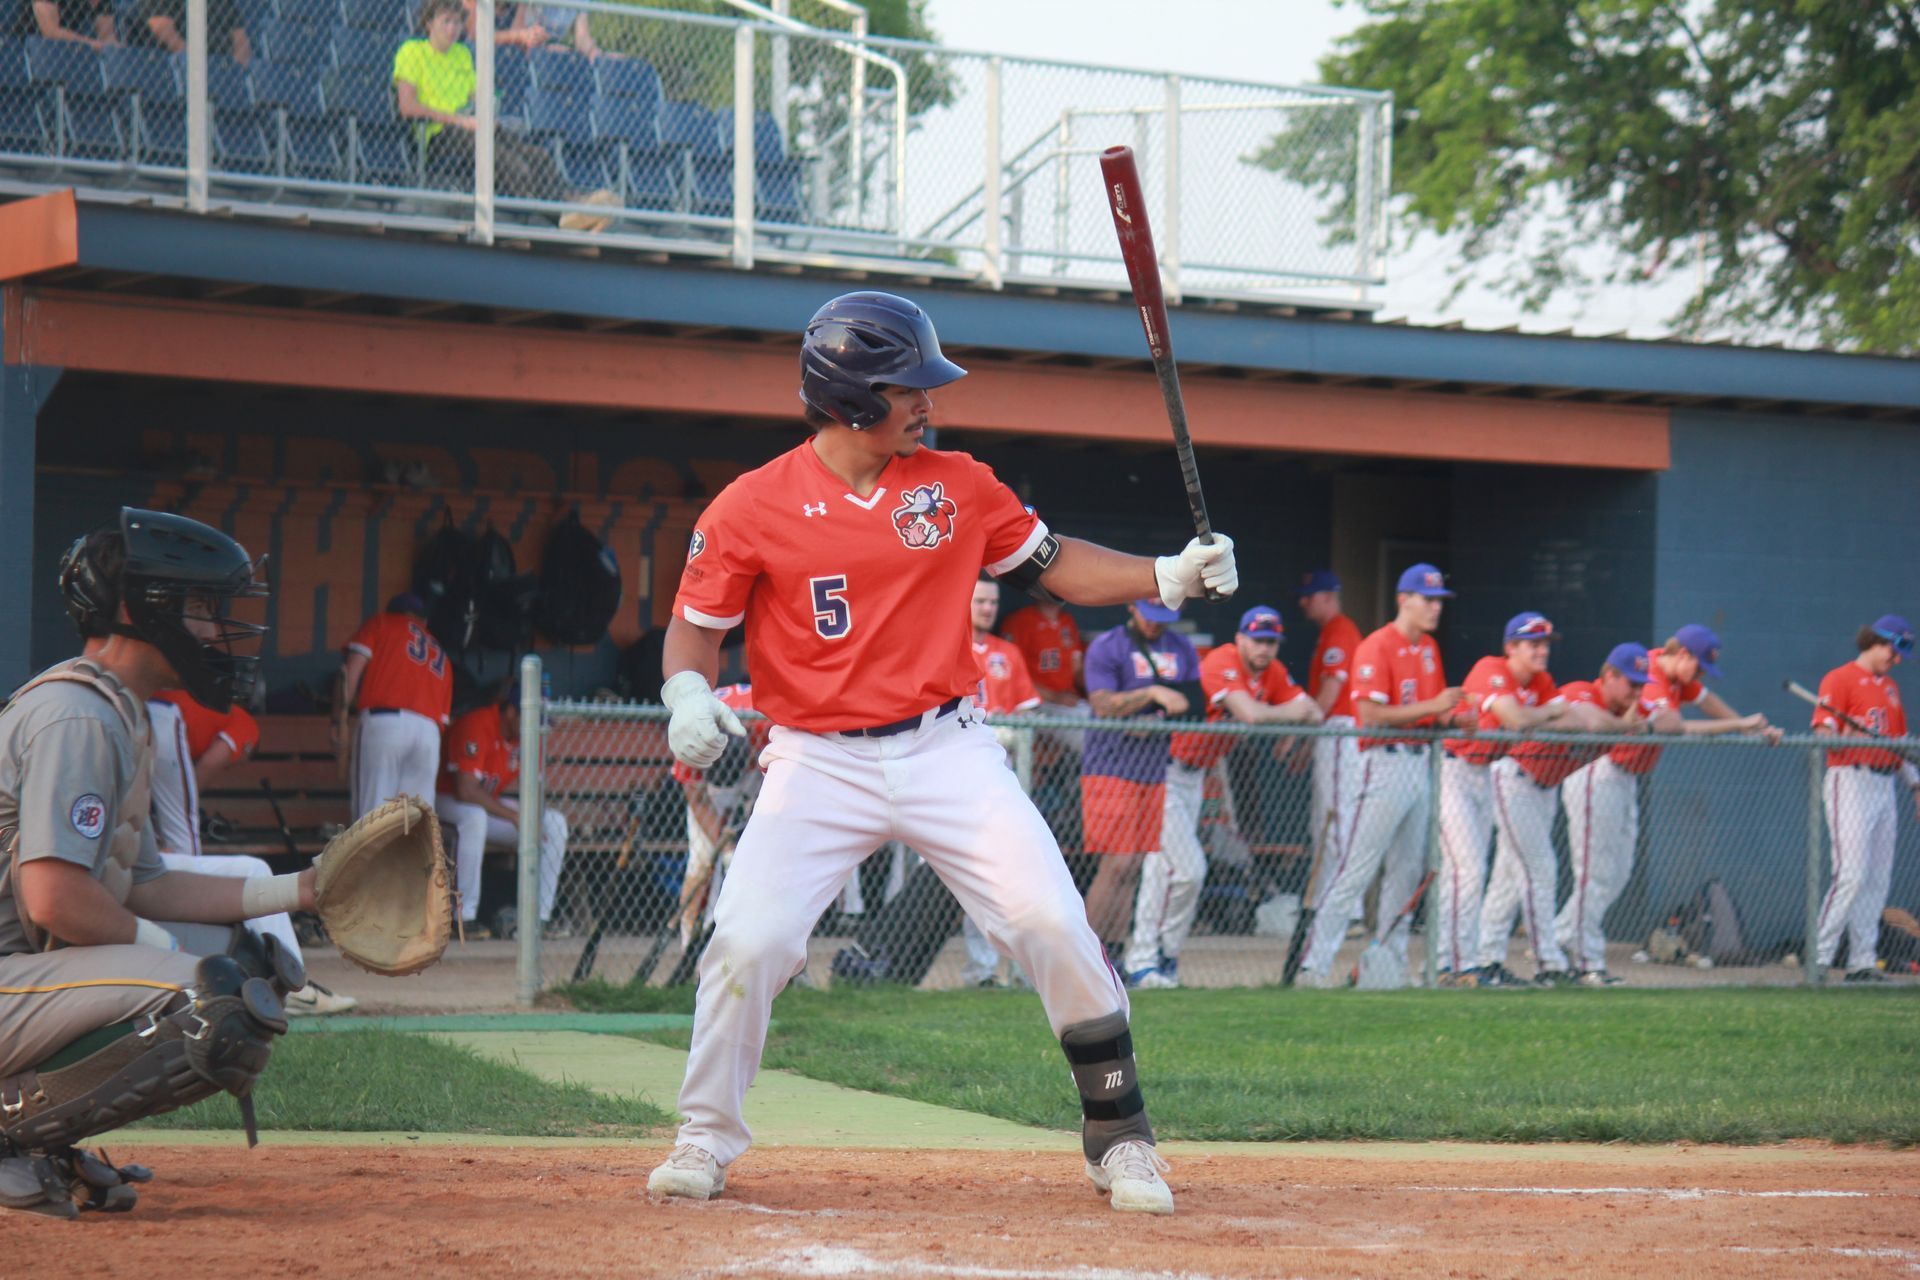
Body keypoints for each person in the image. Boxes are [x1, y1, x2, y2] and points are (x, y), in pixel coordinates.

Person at [646, 291, 1237, 1215]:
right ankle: (703, 1137)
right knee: (749, 941)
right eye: (908, 387)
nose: (930, 400)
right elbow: (693, 631)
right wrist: (685, 691)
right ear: (847, 399)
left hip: (947, 748)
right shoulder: (751, 505)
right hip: (815, 759)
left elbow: (1054, 564)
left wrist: (1161, 576)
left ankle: (1119, 1134)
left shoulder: (958, 482)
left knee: (1048, 918)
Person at [0, 509, 315, 1218]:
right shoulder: (77, 716)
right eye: (200, 607)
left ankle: (39, 1134)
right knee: (213, 998)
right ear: (134, 609)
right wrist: (166, 953)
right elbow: (52, 898)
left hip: (20, 982)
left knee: (249, 961)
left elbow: (147, 882)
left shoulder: (121, 711)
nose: (212, 627)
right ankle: (8, 1132)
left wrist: (303, 888)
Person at [1553, 624, 1780, 977]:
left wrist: (1746, 724)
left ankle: (1561, 935)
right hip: (1600, 771)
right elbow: (1673, 724)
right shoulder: (1653, 674)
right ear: (1684, 655)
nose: (1701, 675)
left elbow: (1706, 700)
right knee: (1595, 873)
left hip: (1625, 778)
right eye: (1699, 666)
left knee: (1619, 873)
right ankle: (1585, 956)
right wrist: (1737, 726)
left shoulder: (1671, 671)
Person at [1129, 605, 1319, 988]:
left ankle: (1155, 960)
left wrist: (1279, 716)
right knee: (1185, 870)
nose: (1265, 649)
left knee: (1164, 871)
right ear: (1240, 638)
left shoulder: (1272, 673)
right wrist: (1286, 715)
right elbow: (1249, 714)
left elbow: (1312, 711)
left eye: (1272, 641)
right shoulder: (1223, 660)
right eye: (1258, 640)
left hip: (1195, 776)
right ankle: (1146, 957)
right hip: (1161, 768)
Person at [1294, 564, 1464, 987]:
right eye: (1428, 599)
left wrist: (1457, 720)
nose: (1435, 607)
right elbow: (1369, 715)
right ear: (1403, 599)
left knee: (1406, 871)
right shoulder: (1376, 645)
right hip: (1382, 764)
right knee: (1356, 867)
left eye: (1439, 600)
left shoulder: (1428, 649)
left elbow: (1433, 714)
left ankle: (1388, 963)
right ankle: (1313, 966)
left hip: (1418, 761)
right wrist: (1432, 709)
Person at [148, 689, 356, 1015]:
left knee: (184, 848)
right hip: (163, 714)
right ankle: (296, 986)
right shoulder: (245, 725)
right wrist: (186, 796)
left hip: (150, 717)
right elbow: (214, 759)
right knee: (197, 845)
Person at [1473, 632, 1650, 986]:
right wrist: (1626, 725)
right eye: (1631, 683)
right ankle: (1548, 963)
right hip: (1515, 778)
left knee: (1508, 880)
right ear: (1610, 675)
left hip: (1544, 789)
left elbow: (1664, 724)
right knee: (1541, 869)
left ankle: (1487, 957)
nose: (1637, 692)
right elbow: (1589, 721)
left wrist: (1628, 721)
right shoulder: (1585, 691)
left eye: (1642, 685)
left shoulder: (1625, 710)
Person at [1430, 612, 1571, 985]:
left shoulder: (1541, 681)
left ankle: (1450, 963)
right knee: (1468, 870)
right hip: (1454, 770)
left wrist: (1539, 713)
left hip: (1487, 772)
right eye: (1533, 644)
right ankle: (1455, 965)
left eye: (1545, 644)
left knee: (1467, 873)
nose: (1542, 651)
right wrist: (1546, 712)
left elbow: (1567, 717)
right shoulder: (1489, 668)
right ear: (1511, 647)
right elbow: (1515, 720)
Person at [395, 0, 617, 229]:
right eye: (446, 22)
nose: (453, 29)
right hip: (440, 133)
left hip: (473, 125)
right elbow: (408, 107)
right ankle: (556, 218)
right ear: (429, 23)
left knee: (536, 155)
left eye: (457, 23)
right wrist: (461, 120)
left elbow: (477, 95)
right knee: (512, 163)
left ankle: (574, 203)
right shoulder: (411, 51)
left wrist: (487, 113)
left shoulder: (461, 54)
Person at [1081, 599, 1201, 980]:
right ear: (1133, 608)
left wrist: (1158, 711)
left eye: (1164, 619)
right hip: (1111, 766)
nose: (1156, 626)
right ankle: (1083, 954)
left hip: (1154, 768)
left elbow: (1192, 701)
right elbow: (1103, 704)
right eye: (1150, 617)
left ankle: (1111, 955)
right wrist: (1153, 694)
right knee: (1115, 862)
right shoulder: (1108, 646)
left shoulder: (1181, 648)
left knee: (1135, 866)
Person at [1810, 615, 1918, 984]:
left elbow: (1899, 745)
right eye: (1894, 649)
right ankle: (1819, 960)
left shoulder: (1889, 688)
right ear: (1877, 641)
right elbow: (1823, 737)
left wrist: (1915, 787)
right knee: (1851, 875)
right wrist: (1853, 735)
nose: (1897, 659)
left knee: (1876, 880)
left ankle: (1861, 962)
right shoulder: (1838, 679)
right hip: (1850, 780)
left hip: (1885, 785)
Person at [433, 684, 570, 940]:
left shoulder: (530, 737)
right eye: (529, 718)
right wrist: (515, 817)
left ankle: (539, 919)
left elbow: (535, 790)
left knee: (554, 823)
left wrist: (530, 817)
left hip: (486, 806)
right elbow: (466, 790)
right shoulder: (477, 723)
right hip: (443, 801)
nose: (535, 726)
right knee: (474, 818)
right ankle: (463, 917)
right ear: (510, 712)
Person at [963, 575, 1042, 986]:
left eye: (993, 601)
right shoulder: (946, 642)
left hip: (1001, 774)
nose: (988, 608)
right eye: (979, 601)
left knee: (1001, 868)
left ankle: (998, 971)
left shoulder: (1007, 652)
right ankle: (977, 970)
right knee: (941, 871)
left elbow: (1028, 713)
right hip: (950, 772)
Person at [335, 592, 453, 820]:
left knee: (372, 819)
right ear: (423, 621)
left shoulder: (382, 622)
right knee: (415, 825)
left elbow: (348, 674)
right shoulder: (440, 651)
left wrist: (337, 720)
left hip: (385, 722)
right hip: (429, 734)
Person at [669, 679, 761, 951]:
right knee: (701, 859)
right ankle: (689, 943)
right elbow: (696, 799)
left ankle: (751, 942)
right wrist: (725, 849)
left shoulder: (765, 725)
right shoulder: (691, 734)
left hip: (758, 770)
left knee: (761, 862)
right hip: (710, 778)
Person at [1297, 569, 1362, 892]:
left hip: (1339, 731)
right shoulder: (1331, 632)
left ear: (1327, 597)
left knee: (1337, 819)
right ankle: (1329, 902)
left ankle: (1343, 907)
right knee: (1328, 818)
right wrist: (1308, 745)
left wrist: (1301, 739)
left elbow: (1330, 695)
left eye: (1309, 598)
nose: (1303, 603)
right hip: (1331, 733)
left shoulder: (1340, 630)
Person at [129, 0, 250, 62]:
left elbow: (241, 39)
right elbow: (160, 26)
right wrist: (194, 62)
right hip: (181, 64)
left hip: (222, 68)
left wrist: (235, 70)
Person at [513, 2, 601, 56]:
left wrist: (596, 53)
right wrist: (545, 46)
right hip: (527, 50)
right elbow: (516, 29)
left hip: (554, 55)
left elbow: (582, 37)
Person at [15, 0, 113, 46]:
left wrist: (117, 51)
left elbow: (108, 37)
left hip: (68, 50)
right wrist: (92, 44)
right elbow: (51, 32)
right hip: (27, 48)